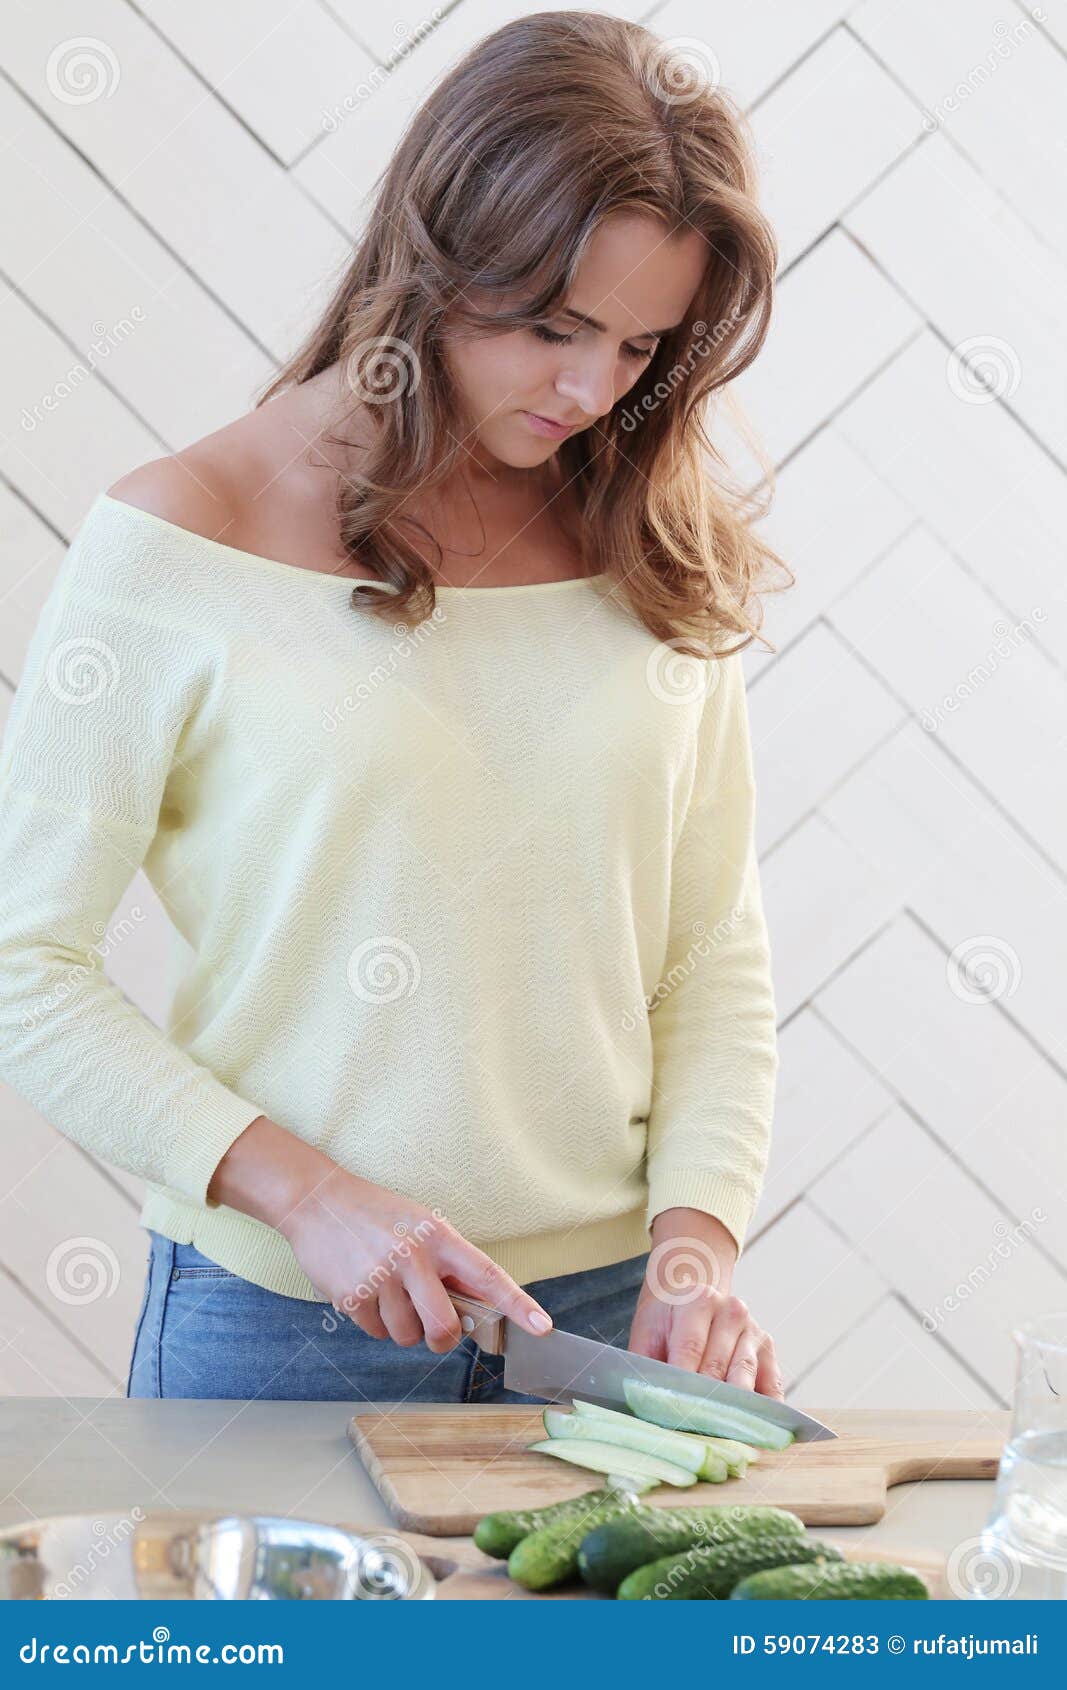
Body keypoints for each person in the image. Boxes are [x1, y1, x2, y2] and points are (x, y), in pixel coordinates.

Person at [0, 13, 792, 1404]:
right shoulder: (184, 537)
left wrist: (694, 1249)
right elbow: (26, 968)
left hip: (598, 1334)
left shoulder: (647, 543)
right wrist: (308, 1197)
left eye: (638, 344)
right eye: (551, 327)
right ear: (436, 258)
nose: (589, 390)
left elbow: (709, 952)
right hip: (275, 1325)